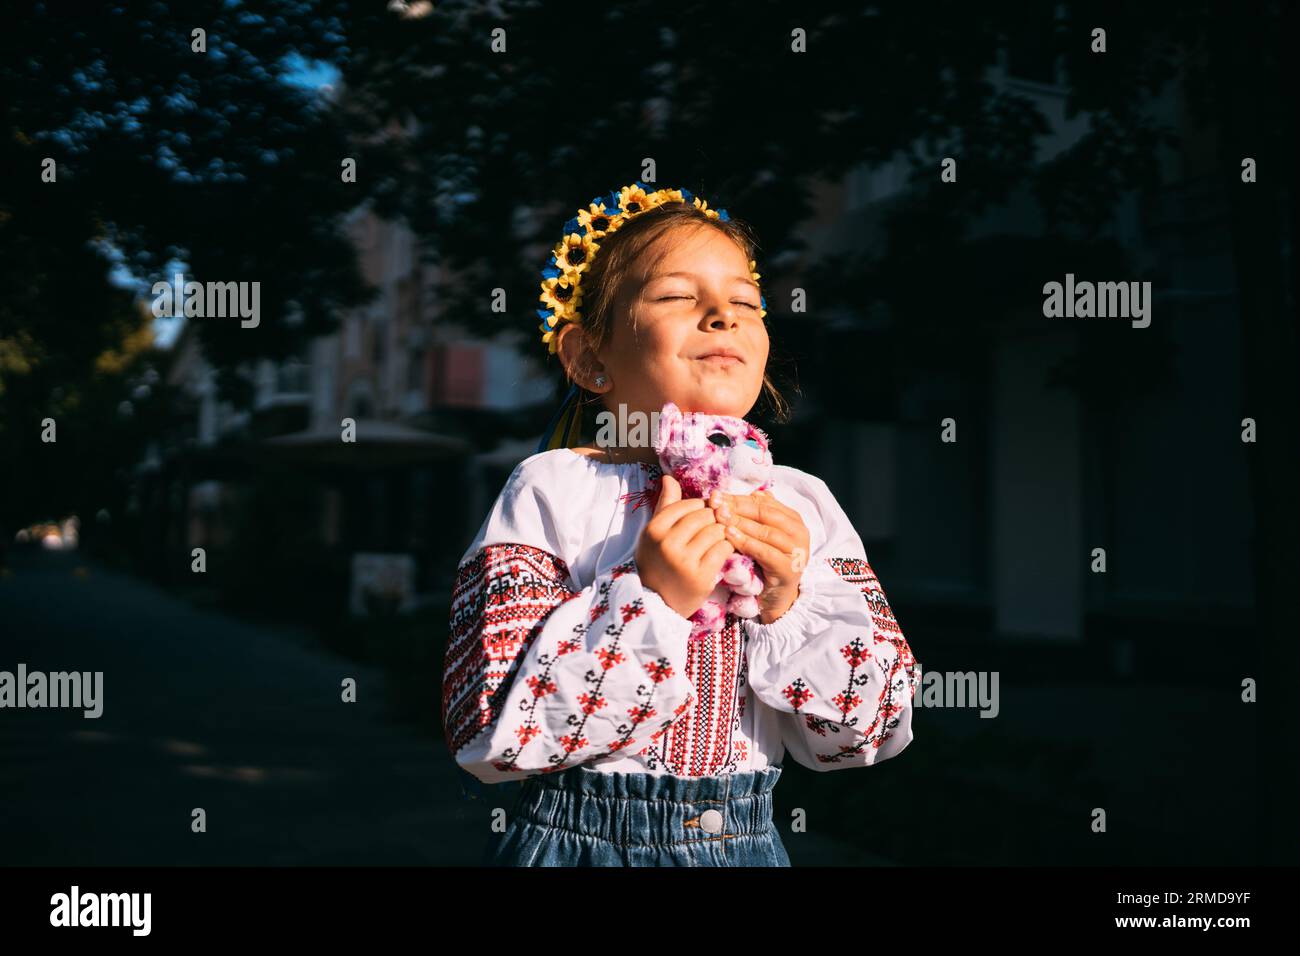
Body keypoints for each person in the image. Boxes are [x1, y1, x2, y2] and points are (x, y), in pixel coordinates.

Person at [441, 184, 919, 866]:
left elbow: (865, 733)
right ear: (588, 358)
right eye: (675, 297)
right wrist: (651, 599)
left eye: (746, 302)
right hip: (580, 848)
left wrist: (786, 609)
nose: (723, 315)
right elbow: (487, 733)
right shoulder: (553, 488)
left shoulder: (803, 502)